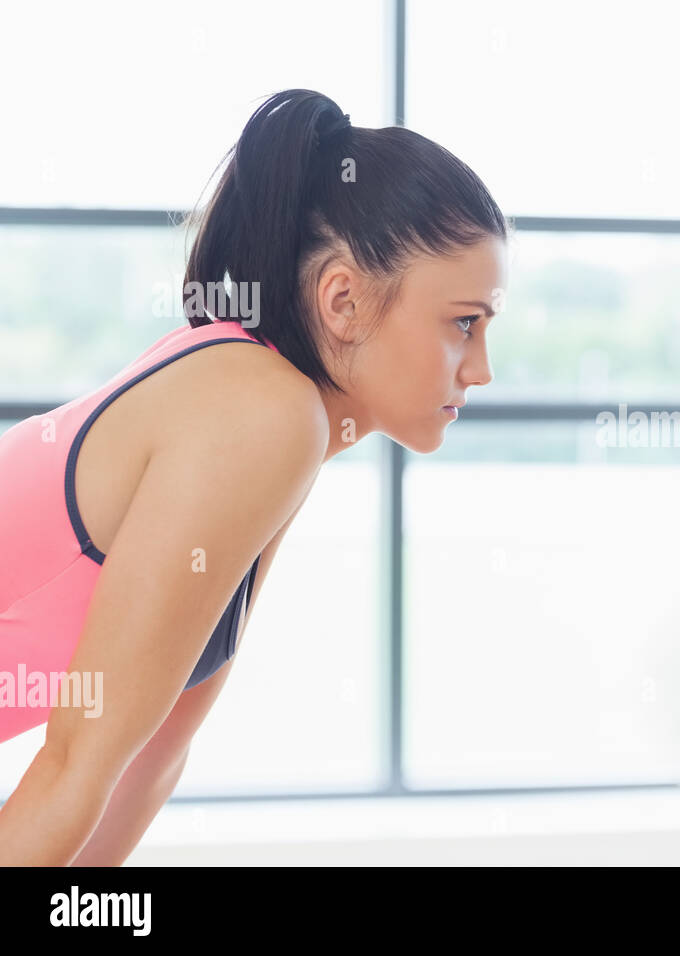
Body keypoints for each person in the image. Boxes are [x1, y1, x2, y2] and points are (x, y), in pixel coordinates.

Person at [0, 89, 508, 865]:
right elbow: (77, 759)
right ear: (342, 299)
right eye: (462, 322)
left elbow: (151, 755)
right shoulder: (259, 408)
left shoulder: (279, 421)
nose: (481, 369)